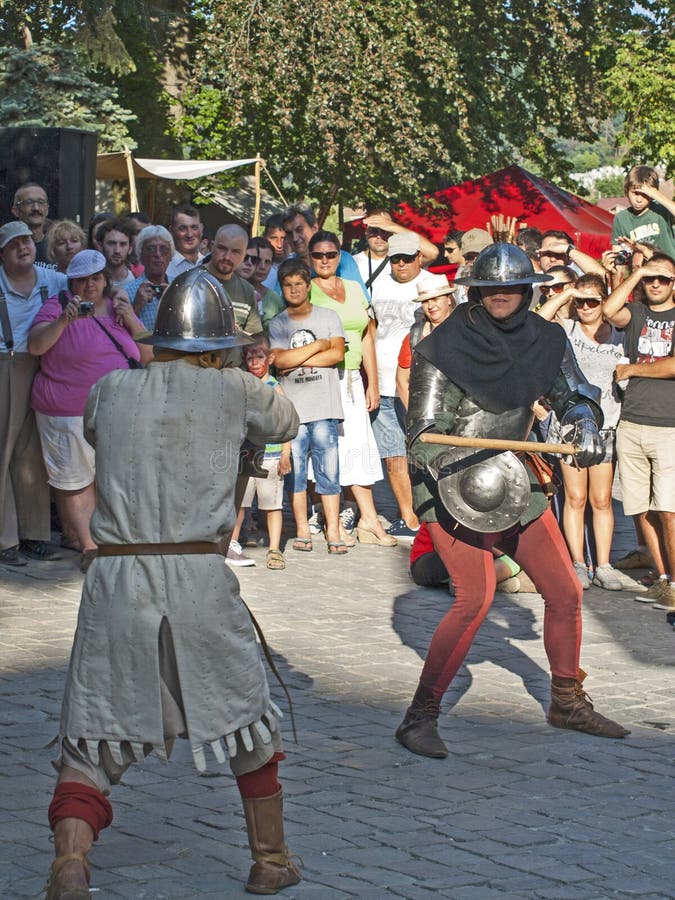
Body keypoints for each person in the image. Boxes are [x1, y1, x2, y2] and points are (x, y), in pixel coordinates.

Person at [43, 267, 302, 899]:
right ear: (217, 348)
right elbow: (285, 421)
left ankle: (70, 861)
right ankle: (270, 860)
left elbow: (101, 430)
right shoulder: (236, 388)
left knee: (92, 734)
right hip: (197, 581)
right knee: (247, 720)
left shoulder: (110, 388)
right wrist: (231, 380)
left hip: (116, 580)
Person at [395, 242, 629, 760]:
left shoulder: (546, 338)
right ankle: (419, 717)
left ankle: (566, 701)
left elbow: (574, 392)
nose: (500, 296)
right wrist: (464, 467)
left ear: (528, 290)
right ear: (476, 292)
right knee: (474, 599)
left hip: (514, 480)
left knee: (565, 590)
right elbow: (422, 434)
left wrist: (585, 423)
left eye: (511, 288)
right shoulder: (442, 346)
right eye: (490, 288)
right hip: (450, 481)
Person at [27, 250, 151, 572]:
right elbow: (36, 345)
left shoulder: (117, 306)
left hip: (116, 410)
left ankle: (110, 541)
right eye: (82, 279)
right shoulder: (57, 305)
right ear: (72, 282)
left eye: (96, 278)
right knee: (75, 479)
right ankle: (90, 546)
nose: (90, 285)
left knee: (112, 479)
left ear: (105, 279)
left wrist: (131, 316)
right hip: (67, 409)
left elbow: (147, 354)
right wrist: (63, 321)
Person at [536, 274, 625, 590]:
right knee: (575, 497)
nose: (586, 307)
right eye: (581, 302)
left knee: (601, 500)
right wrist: (567, 293)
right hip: (569, 427)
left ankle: (604, 564)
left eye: (593, 301)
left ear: (604, 303)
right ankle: (578, 563)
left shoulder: (618, 335)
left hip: (606, 425)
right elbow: (538, 321)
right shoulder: (567, 330)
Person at [308, 231, 395, 547]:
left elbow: (366, 336)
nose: (325, 260)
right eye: (318, 255)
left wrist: (373, 381)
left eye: (330, 254)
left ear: (340, 255)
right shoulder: (307, 291)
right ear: (310, 258)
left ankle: (369, 519)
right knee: (330, 450)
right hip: (322, 379)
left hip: (353, 379)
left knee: (359, 447)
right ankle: (333, 521)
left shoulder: (356, 288)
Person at [602, 253, 675, 611]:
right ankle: (663, 580)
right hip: (631, 423)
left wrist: (632, 370)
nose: (656, 283)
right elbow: (608, 310)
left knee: (669, 510)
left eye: (664, 278)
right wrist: (638, 271)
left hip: (668, 426)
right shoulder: (637, 313)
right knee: (641, 508)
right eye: (651, 278)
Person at [269, 257, 347, 553]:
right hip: (293, 410)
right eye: (288, 285)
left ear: (308, 285)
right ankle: (302, 528)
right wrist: (316, 346)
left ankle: (333, 528)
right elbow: (279, 361)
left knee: (329, 471)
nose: (294, 289)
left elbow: (336, 355)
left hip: (324, 407)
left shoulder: (328, 317)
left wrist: (296, 359)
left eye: (299, 284)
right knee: (296, 472)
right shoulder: (278, 323)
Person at [0, 221, 66, 566]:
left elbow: (86, 285)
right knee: (3, 452)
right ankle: (4, 538)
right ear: (2, 254)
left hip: (43, 364)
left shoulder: (52, 279)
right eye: (14, 245)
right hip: (5, 364)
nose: (23, 248)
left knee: (32, 454)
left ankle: (34, 533)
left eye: (26, 241)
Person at [370, 232, 429, 540]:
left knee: (424, 451)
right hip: (383, 382)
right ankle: (408, 517)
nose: (401, 264)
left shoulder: (433, 284)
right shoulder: (378, 285)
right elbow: (371, 329)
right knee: (393, 453)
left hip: (420, 384)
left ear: (419, 257)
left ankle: (429, 513)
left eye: (407, 258)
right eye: (395, 259)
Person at [240, 335, 293, 570]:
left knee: (272, 505)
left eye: (259, 357)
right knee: (240, 504)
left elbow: (286, 423)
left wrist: (285, 454)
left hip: (270, 455)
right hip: (246, 455)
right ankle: (232, 544)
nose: (254, 362)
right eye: (249, 357)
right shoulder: (243, 386)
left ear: (269, 359)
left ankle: (274, 548)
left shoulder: (275, 389)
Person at [396, 273, 456, 410]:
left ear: (449, 299)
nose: (430, 305)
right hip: (427, 414)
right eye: (425, 301)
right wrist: (417, 414)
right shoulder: (414, 337)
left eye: (435, 299)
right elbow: (402, 380)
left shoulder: (468, 330)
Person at [204, 225, 263, 335]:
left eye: (235, 252)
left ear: (244, 255)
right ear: (212, 247)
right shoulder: (189, 282)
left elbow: (252, 340)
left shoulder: (247, 291)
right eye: (222, 248)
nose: (227, 257)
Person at [611, 165, 675, 259]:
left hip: (669, 265)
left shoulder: (661, 209)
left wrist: (656, 195)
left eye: (644, 194)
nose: (639, 199)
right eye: (635, 193)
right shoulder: (621, 218)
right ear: (627, 191)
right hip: (641, 267)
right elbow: (617, 250)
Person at [127, 225, 175, 330]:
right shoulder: (128, 292)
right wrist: (136, 306)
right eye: (150, 249)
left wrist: (175, 301)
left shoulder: (179, 287)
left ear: (171, 255)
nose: (157, 254)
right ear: (140, 255)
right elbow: (121, 333)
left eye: (163, 249)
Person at [11, 181, 51, 262]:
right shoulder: (6, 249)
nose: (36, 208)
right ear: (16, 211)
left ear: (47, 210)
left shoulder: (58, 248)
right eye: (28, 202)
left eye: (41, 202)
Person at [166, 204, 204, 281]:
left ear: (201, 229)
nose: (189, 234)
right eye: (183, 228)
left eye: (194, 228)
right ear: (171, 231)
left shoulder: (209, 263)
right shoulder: (164, 267)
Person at [96, 218, 136, 289]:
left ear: (130, 248)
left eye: (123, 244)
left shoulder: (137, 278)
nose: (117, 250)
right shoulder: (91, 282)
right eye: (111, 243)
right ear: (100, 246)